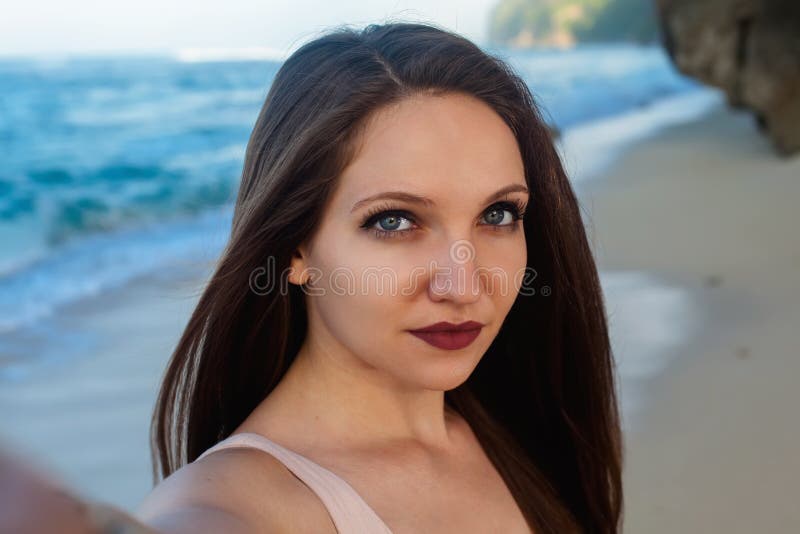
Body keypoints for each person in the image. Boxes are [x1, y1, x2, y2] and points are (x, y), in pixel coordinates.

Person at [136, 21, 623, 533]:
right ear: (294, 248)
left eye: (497, 214)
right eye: (394, 221)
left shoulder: (530, 432)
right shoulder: (233, 506)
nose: (463, 286)